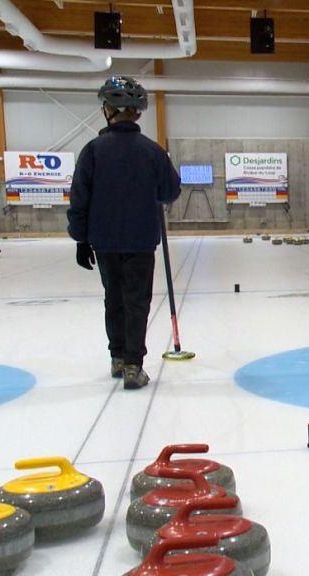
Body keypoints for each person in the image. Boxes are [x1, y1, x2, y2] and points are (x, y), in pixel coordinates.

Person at [67, 76, 181, 390]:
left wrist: (80, 238)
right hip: (141, 241)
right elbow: (171, 191)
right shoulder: (153, 152)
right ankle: (133, 365)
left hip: (103, 241)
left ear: (107, 110)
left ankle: (117, 356)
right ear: (138, 113)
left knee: (113, 298)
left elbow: (80, 198)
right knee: (136, 301)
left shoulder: (92, 151)